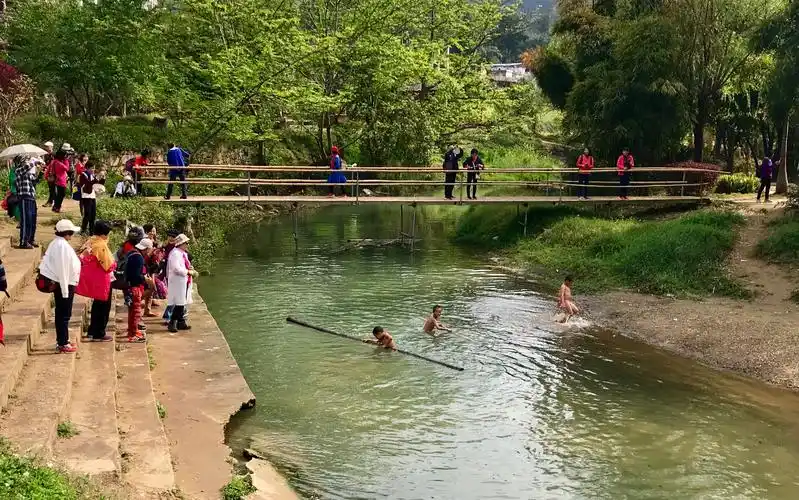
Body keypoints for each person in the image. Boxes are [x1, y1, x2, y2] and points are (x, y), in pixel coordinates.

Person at [40, 220, 82, 353]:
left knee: (63, 314)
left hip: (65, 283)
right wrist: (65, 291)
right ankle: (62, 343)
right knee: (64, 314)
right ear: (67, 233)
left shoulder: (58, 243)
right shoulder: (61, 246)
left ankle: (64, 340)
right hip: (64, 284)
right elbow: (62, 269)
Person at [80, 220, 116, 342]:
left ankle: (92, 331)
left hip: (95, 278)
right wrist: (114, 264)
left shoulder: (91, 241)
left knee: (97, 305)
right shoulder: (100, 245)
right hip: (102, 279)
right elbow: (108, 265)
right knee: (103, 307)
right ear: (104, 234)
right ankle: (99, 333)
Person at [166, 233, 196, 332]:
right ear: (181, 243)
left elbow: (184, 265)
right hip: (177, 281)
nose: (187, 245)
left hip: (184, 280)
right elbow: (176, 268)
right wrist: (188, 272)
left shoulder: (183, 253)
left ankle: (181, 322)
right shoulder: (175, 253)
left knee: (182, 302)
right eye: (186, 243)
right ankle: (173, 322)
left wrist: (189, 268)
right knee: (179, 303)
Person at [126, 237, 153, 343]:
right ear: (146, 249)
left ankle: (132, 331)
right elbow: (136, 276)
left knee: (132, 311)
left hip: (129, 286)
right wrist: (145, 279)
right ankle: (133, 335)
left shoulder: (132, 254)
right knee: (136, 311)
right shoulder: (138, 258)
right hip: (135, 287)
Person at [14, 155, 39, 249]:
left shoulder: (28, 172)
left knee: (32, 220)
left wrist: (39, 171)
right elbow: (27, 167)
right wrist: (34, 161)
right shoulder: (18, 171)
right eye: (26, 161)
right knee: (26, 220)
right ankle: (24, 242)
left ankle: (30, 240)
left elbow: (35, 180)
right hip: (24, 197)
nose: (28, 162)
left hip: (31, 197)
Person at [78, 161, 105, 235]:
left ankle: (91, 231)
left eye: (94, 168)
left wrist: (103, 178)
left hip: (92, 197)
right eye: (92, 168)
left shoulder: (92, 175)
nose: (93, 169)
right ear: (87, 167)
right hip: (86, 197)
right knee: (87, 215)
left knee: (93, 215)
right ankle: (83, 230)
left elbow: (98, 185)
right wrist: (96, 179)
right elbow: (87, 185)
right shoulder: (83, 175)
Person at [42, 141, 55, 207]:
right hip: (48, 173)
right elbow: (46, 164)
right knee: (51, 188)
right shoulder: (46, 155)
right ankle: (51, 201)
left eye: (47, 146)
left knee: (53, 188)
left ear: (51, 147)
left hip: (54, 174)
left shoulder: (54, 155)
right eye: (46, 147)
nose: (46, 148)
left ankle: (51, 202)